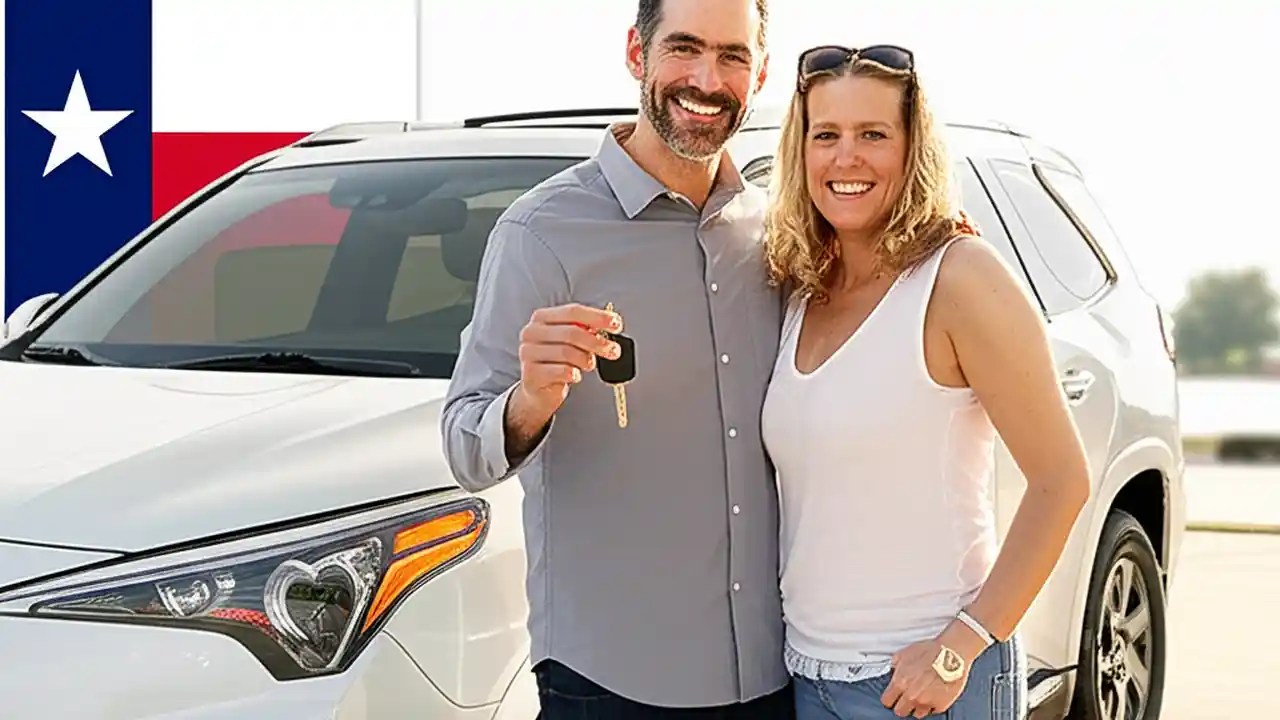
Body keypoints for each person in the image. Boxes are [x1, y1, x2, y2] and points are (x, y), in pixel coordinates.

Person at [441, 0, 795, 717]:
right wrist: (531, 400)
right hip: (611, 680)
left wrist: (938, 249)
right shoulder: (541, 234)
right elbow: (465, 447)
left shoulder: (776, 235)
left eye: (732, 56)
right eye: (684, 48)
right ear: (637, 53)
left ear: (759, 74)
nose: (706, 77)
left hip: (769, 673)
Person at [759, 45, 1092, 719]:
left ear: (913, 150)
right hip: (805, 681)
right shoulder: (800, 289)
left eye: (873, 135)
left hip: (928, 690)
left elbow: (1063, 481)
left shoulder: (960, 278)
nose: (845, 158)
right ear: (801, 151)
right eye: (826, 135)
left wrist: (959, 648)